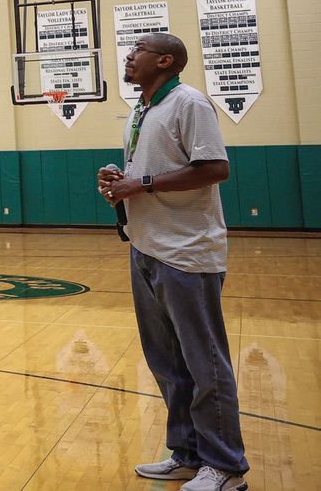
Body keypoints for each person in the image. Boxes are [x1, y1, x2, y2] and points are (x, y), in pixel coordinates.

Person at [98, 32, 247, 491]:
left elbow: (215, 168)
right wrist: (118, 179)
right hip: (145, 246)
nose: (129, 56)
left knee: (205, 364)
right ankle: (186, 455)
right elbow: (150, 172)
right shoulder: (141, 110)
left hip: (186, 252)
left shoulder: (190, 103)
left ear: (165, 61)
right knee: (167, 364)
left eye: (138, 50)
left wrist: (140, 183)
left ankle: (224, 467)